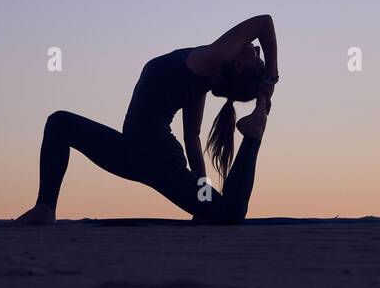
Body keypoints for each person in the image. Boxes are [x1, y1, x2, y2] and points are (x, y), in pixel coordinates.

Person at [16, 15, 279, 224]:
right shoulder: (203, 77)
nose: (255, 48)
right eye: (258, 53)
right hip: (132, 152)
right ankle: (45, 207)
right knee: (59, 123)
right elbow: (192, 138)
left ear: (239, 67)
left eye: (256, 56)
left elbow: (264, 23)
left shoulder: (210, 60)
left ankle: (253, 134)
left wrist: (270, 80)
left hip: (155, 157)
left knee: (229, 213)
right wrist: (202, 200)